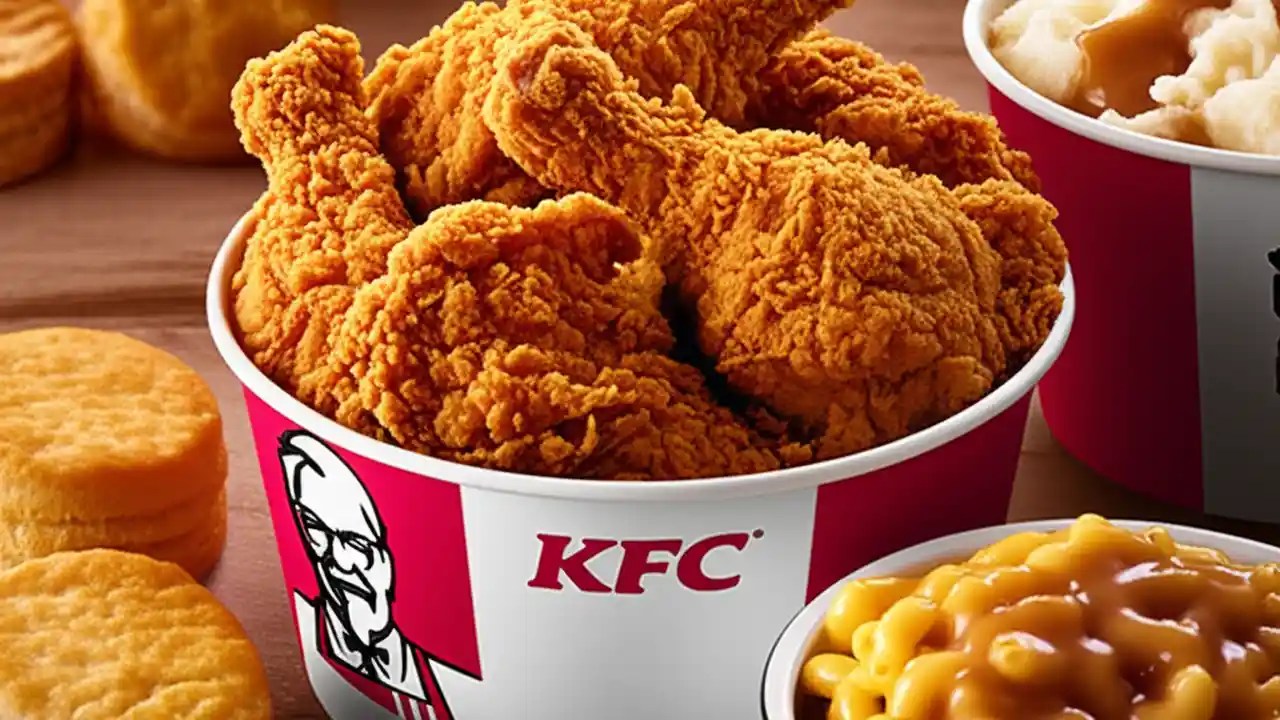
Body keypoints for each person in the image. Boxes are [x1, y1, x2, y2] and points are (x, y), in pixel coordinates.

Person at [279, 430, 453, 720]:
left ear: (387, 558)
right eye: (317, 532)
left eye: (356, 543)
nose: (341, 561)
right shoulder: (309, 622)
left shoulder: (453, 681)